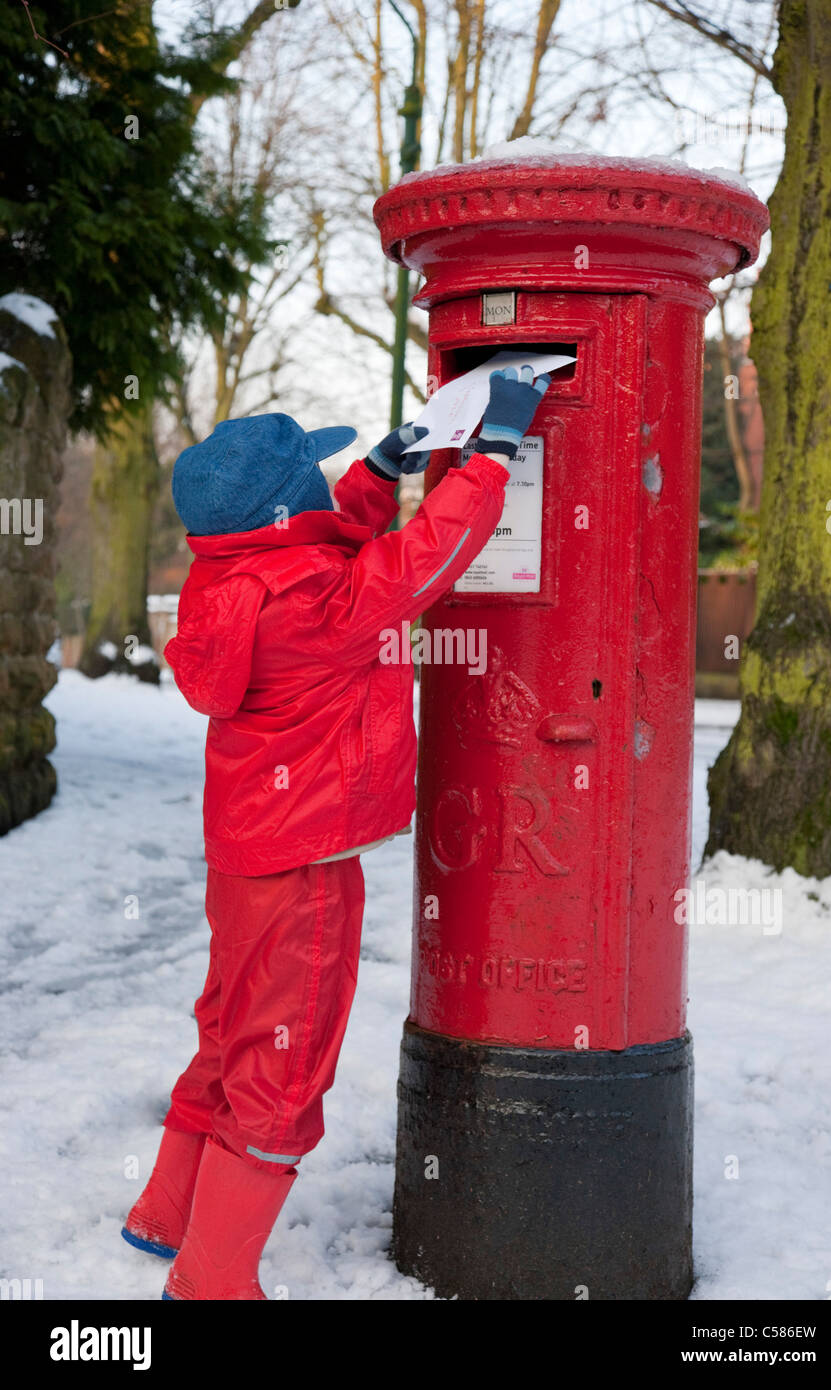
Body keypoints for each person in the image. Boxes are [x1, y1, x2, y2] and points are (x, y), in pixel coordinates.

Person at [121, 365, 550, 1300]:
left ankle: (164, 1210)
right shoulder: (318, 604)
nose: (328, 486)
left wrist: (383, 469)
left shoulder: (225, 578)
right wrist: (493, 455)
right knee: (283, 1068)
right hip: (306, 865)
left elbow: (317, 543)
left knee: (230, 1031)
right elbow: (421, 563)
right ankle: (213, 1281)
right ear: (286, 511)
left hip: (245, 856)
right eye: (317, 480)